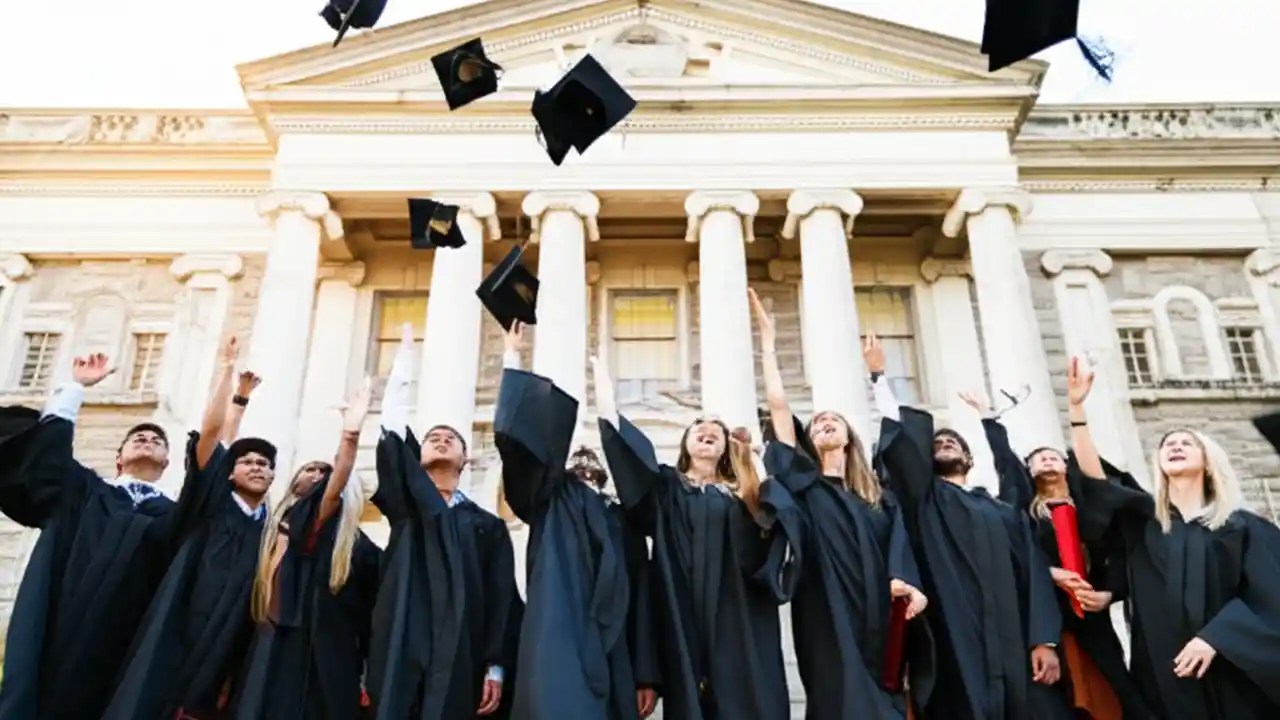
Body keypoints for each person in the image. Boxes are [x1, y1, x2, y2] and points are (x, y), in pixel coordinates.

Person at [747, 289, 932, 719]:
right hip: (823, 599)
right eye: (817, 423)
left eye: (833, 420)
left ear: (849, 437)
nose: (825, 423)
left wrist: (909, 586)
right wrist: (769, 346)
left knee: (881, 686)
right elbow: (778, 406)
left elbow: (899, 548)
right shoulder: (802, 483)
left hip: (878, 603)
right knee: (838, 690)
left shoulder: (877, 498)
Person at [868, 336, 1068, 720]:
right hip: (953, 636)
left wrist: (1043, 639)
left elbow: (1032, 575)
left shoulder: (1000, 510)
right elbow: (901, 447)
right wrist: (879, 378)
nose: (943, 443)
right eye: (937, 442)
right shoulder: (926, 500)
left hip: (1013, 640)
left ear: (969, 457)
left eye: (952, 441)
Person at [1067, 359, 1280, 719]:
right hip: (1164, 672)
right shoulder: (1145, 522)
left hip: (1234, 671)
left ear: (1209, 461)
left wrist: (1218, 638)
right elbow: (1097, 481)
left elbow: (1271, 596)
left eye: (1187, 443)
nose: (1175, 446)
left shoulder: (1243, 527)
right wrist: (1077, 410)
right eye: (1168, 444)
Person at [594, 353, 801, 720]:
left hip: (738, 619)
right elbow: (628, 461)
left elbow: (777, 529)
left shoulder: (744, 498)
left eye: (717, 431)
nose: (708, 431)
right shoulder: (665, 488)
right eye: (698, 427)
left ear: (725, 448)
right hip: (682, 612)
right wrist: (607, 399)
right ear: (686, 442)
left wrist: (753, 461)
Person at [103, 336, 280, 720]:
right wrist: (231, 383)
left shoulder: (268, 530)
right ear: (229, 474)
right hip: (179, 632)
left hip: (222, 650)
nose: (255, 466)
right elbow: (216, 436)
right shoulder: (212, 506)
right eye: (246, 461)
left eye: (264, 463)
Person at [493, 321, 660, 720]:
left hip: (612, 645)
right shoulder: (549, 500)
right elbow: (521, 446)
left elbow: (640, 595)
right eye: (576, 460)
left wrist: (645, 675)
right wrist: (512, 359)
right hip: (556, 634)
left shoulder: (622, 519)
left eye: (593, 460)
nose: (585, 462)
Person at [973, 357, 1153, 720]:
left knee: (1113, 686)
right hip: (1046, 610)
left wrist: (1109, 594)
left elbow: (1115, 551)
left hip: (1090, 608)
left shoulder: (1088, 506)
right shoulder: (1024, 510)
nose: (1046, 460)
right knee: (1057, 693)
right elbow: (1007, 467)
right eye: (1038, 458)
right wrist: (989, 420)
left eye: (1054, 455)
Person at [0, 354, 177, 719]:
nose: (147, 438)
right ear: (118, 458)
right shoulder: (86, 492)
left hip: (128, 645)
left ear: (167, 462)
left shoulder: (176, 516)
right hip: (61, 631)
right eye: (137, 437)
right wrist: (76, 388)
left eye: (157, 438)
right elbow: (48, 461)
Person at [367, 324, 520, 719]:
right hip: (402, 638)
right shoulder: (406, 507)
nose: (441, 439)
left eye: (452, 438)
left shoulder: (487, 526)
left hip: (461, 650)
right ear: (414, 461)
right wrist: (404, 365)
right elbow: (392, 430)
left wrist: (496, 667)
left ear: (466, 460)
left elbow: (500, 598)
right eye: (433, 436)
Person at [232, 379, 383, 719]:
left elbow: (338, 477)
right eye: (310, 469)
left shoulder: (317, 520)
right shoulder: (264, 523)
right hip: (260, 639)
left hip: (300, 641)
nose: (317, 475)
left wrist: (350, 435)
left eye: (324, 472)